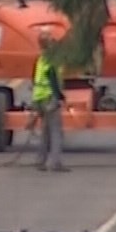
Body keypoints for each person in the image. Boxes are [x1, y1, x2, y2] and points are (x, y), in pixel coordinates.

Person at [32, 28, 68, 172]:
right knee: (56, 132)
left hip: (39, 98)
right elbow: (53, 80)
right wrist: (60, 97)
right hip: (49, 98)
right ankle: (55, 163)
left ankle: (40, 161)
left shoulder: (40, 59)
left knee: (45, 132)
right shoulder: (52, 61)